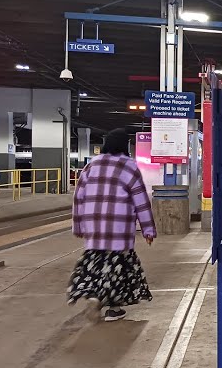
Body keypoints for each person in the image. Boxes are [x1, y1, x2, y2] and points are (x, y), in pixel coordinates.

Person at [67, 128, 156, 321]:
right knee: (118, 270)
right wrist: (148, 229)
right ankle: (112, 308)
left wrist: (78, 226)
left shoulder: (91, 165)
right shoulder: (129, 166)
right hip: (119, 230)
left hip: (95, 229)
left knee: (94, 265)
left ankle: (93, 295)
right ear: (125, 146)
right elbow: (140, 200)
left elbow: (78, 197)